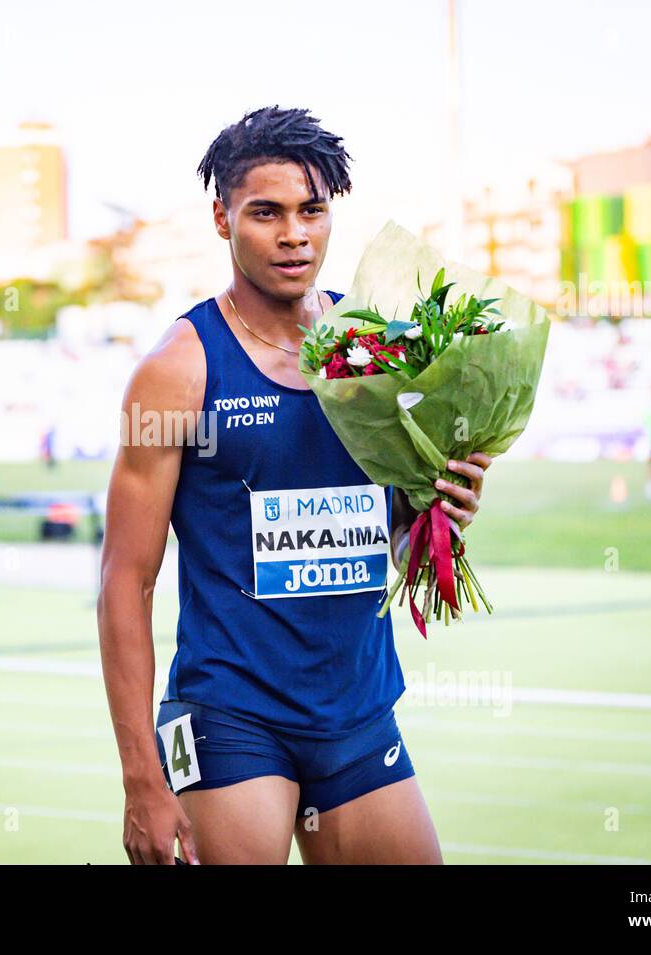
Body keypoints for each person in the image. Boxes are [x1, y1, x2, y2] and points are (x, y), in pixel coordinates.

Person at [97, 106, 493, 865]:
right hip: (229, 715)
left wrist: (445, 514)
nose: (294, 235)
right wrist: (142, 775)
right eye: (266, 213)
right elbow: (126, 577)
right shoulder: (176, 371)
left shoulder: (376, 348)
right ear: (222, 219)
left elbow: (391, 531)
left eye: (312, 210)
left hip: (358, 708)